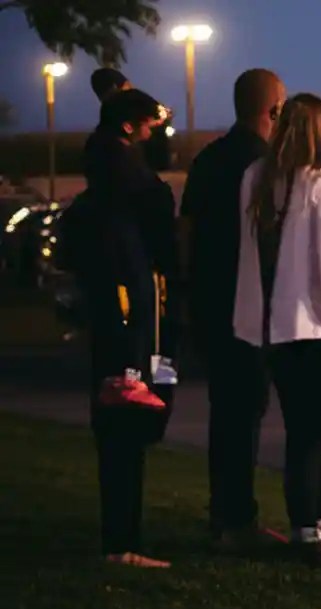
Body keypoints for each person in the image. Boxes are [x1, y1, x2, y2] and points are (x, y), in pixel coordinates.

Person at [233, 93, 321, 575]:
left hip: (268, 326)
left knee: (297, 435)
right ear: (320, 132)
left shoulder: (256, 177)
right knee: (316, 438)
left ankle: (303, 530)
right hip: (311, 326)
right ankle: (315, 536)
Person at [180, 69, 286, 551]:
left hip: (208, 302)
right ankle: (237, 521)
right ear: (274, 111)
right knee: (245, 413)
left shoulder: (209, 159)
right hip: (250, 307)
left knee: (225, 412)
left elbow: (186, 232)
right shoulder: (264, 167)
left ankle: (223, 513)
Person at [79, 88, 178, 568]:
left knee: (125, 426)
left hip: (122, 320)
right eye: (146, 127)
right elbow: (155, 210)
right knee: (125, 424)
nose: (152, 134)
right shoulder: (125, 185)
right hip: (125, 330)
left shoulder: (107, 175)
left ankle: (123, 538)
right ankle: (122, 542)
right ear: (127, 128)